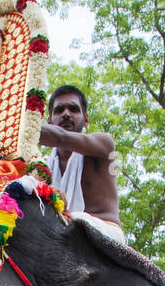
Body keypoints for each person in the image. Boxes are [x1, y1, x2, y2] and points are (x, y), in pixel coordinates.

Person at [39, 85, 126, 243]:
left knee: (72, 221)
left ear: (85, 119)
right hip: (61, 236)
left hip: (106, 231)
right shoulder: (43, 168)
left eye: (73, 109)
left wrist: (19, 127)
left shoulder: (103, 145)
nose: (66, 114)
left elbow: (61, 138)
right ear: (49, 121)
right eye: (59, 110)